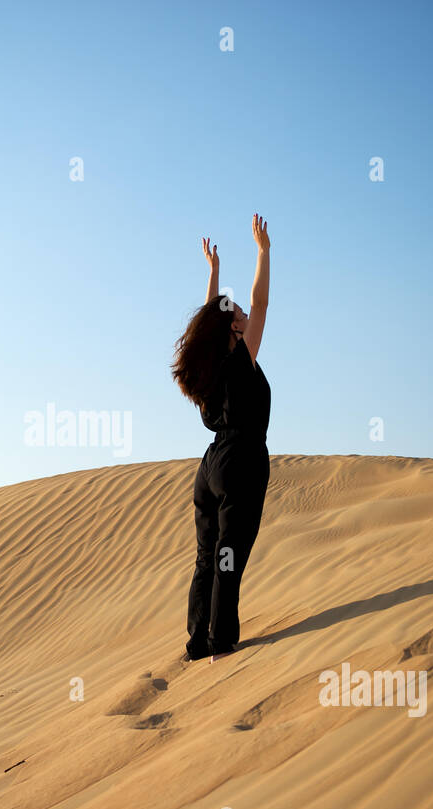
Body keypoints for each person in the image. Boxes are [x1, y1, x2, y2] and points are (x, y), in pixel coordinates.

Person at [170, 214, 271, 661]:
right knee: (229, 554)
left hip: (209, 467)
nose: (248, 317)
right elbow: (260, 302)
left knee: (207, 558)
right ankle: (221, 644)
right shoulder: (239, 358)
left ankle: (196, 643)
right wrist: (263, 253)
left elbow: (213, 321)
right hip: (241, 458)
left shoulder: (209, 369)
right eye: (241, 318)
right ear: (234, 330)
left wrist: (212, 275)